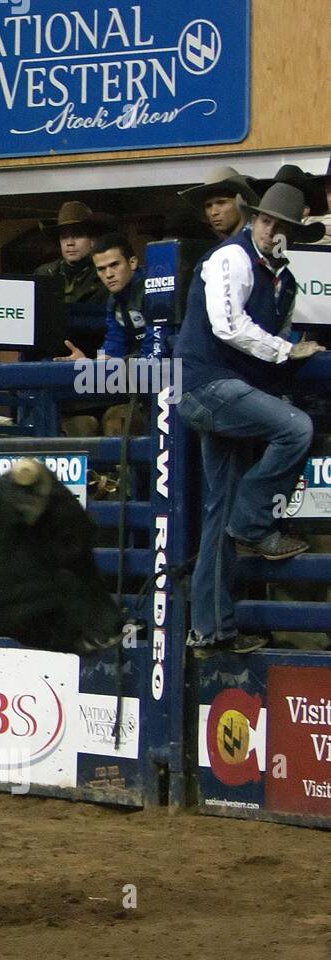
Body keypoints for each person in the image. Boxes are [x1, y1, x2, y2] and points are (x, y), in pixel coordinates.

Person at [176, 183, 328, 656]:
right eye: (265, 222)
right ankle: (254, 522)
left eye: (280, 227)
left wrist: (286, 346)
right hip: (207, 386)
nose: (270, 231)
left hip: (221, 390)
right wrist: (288, 349)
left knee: (216, 513)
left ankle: (211, 630)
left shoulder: (278, 274)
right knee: (296, 428)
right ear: (254, 221)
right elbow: (227, 325)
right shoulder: (231, 258)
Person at [57, 232, 154, 363]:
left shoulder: (154, 291)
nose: (108, 274)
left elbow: (156, 346)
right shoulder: (114, 301)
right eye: (101, 269)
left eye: (114, 265)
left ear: (132, 262)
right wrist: (90, 363)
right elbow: (113, 345)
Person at [177, 166, 259, 241]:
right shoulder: (215, 252)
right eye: (208, 205)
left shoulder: (258, 243)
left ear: (241, 201)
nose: (214, 212)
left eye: (221, 203)